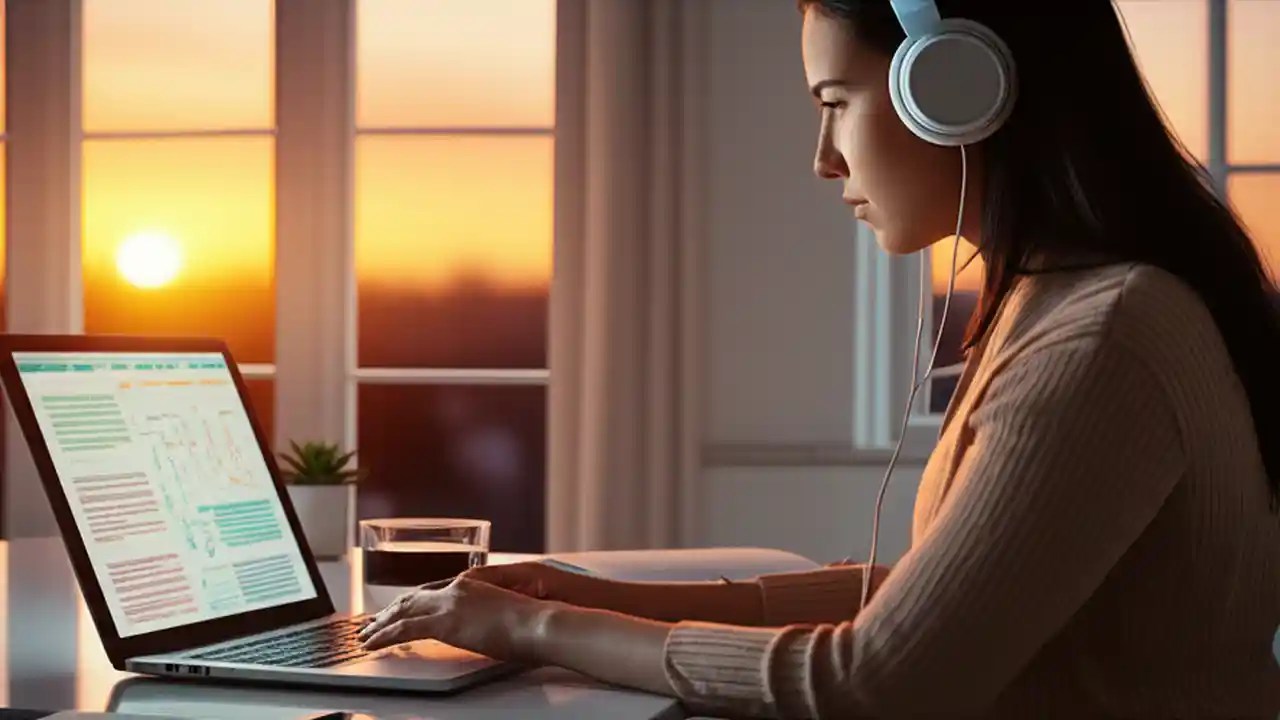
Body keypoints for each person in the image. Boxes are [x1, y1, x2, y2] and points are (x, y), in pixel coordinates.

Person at [359, 1, 1280, 716]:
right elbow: (925, 604)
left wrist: (538, 628)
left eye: (835, 103)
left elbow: (875, 680)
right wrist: (595, 595)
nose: (823, 160)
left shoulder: (1103, 334)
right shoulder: (1066, 305)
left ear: (953, 88)